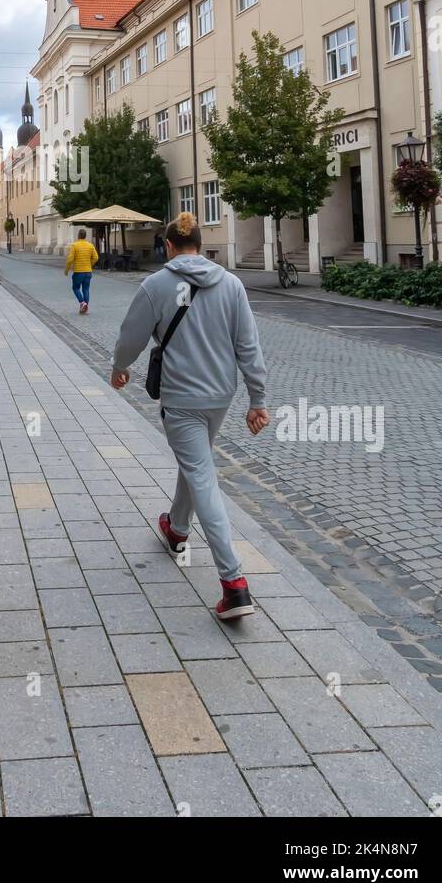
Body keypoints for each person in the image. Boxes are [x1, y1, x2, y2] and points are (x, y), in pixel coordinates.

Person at [110, 212, 269, 621]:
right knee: (195, 462)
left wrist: (120, 366)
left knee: (201, 473)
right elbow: (248, 345)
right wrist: (257, 398)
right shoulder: (231, 284)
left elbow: (132, 335)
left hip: (181, 397)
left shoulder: (156, 284)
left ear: (168, 246)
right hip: (220, 396)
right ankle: (176, 528)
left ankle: (234, 584)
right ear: (200, 245)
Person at [64, 229, 99, 314]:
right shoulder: (90, 246)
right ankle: (85, 306)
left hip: (78, 272)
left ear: (78, 235)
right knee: (86, 289)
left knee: (75, 288)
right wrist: (90, 265)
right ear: (85, 236)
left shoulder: (74, 245)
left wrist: (67, 270)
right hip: (88, 272)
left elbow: (70, 260)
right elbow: (96, 257)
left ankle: (82, 303)